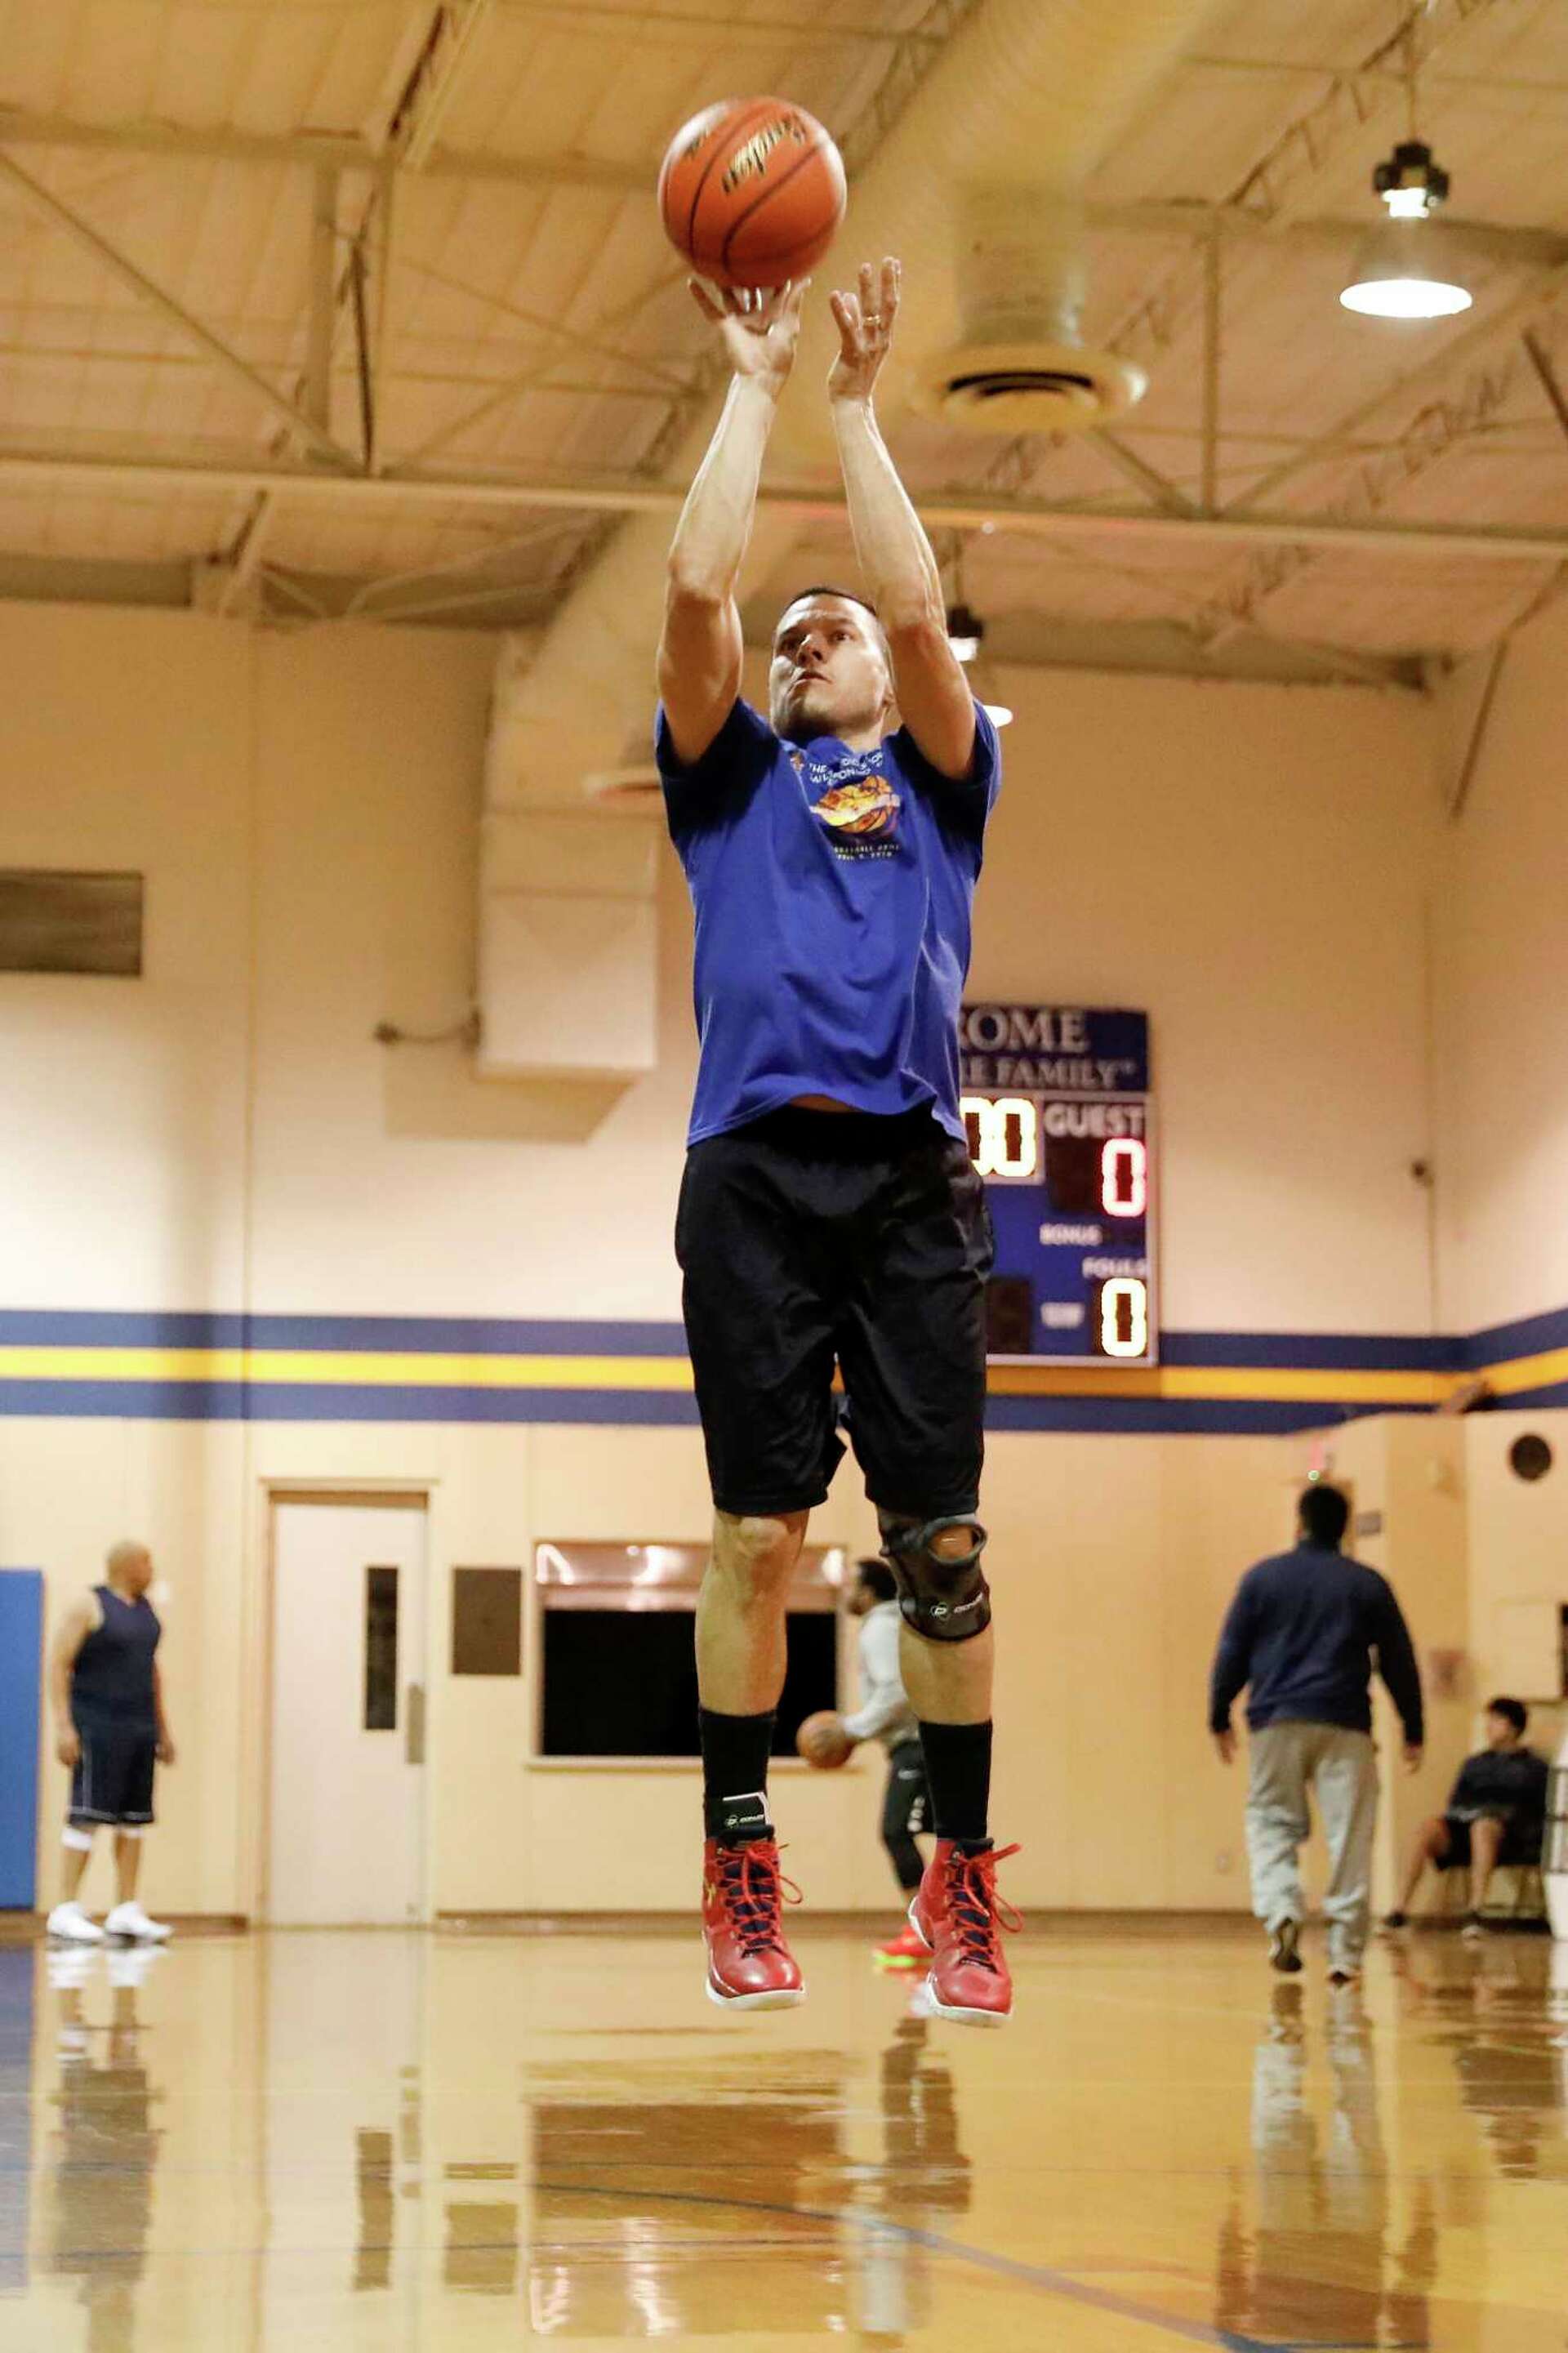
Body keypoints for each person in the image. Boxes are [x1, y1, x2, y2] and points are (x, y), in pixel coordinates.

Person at [657, 256, 1018, 2024]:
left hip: (906, 1180)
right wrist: (754, 384)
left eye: (835, 629)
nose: (809, 638)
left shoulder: (946, 776)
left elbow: (921, 611)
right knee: (759, 1533)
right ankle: (738, 1864)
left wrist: (858, 413)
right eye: (792, 633)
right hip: (750, 1173)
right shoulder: (728, 777)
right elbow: (694, 587)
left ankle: (960, 1884)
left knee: (940, 1546)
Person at [1209, 1482, 1423, 1985]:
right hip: (1346, 1723)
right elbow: (1398, 1658)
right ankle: (1345, 1953)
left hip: (1276, 1721)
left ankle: (1282, 1909)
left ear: (1299, 1523)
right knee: (1351, 1835)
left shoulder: (1262, 1578)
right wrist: (1413, 1726)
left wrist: (1218, 1713)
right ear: (1345, 1528)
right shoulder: (1367, 1584)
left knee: (1272, 1823)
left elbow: (1232, 1650)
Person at [45, 1540, 176, 1945]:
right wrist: (64, 1726)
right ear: (127, 1565)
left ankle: (126, 1910)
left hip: (140, 1727)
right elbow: (59, 1664)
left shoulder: (147, 1613)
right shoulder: (90, 1606)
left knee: (133, 1821)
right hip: (98, 1725)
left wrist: (163, 1729)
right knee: (88, 1814)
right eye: (147, 1562)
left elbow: (152, 1671)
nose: (152, 1569)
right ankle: (65, 1908)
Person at [837, 1557, 936, 1968]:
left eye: (850, 1585)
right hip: (918, 1746)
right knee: (942, 1836)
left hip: (917, 1746)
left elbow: (896, 1690)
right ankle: (937, 1927)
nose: (844, 1593)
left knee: (896, 1832)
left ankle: (926, 1929)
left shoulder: (880, 1627)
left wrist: (852, 1730)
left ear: (867, 1591)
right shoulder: (892, 1624)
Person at [1384, 1696, 1549, 1937]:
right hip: (1464, 1824)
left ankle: (1476, 1910)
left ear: (1514, 1727)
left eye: (1497, 1720)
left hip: (1509, 1834)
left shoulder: (1534, 1768)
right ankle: (1399, 1909)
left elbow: (1538, 1810)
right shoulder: (1475, 1764)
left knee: (1484, 1826)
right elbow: (1455, 1802)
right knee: (1427, 1828)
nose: (1489, 1726)